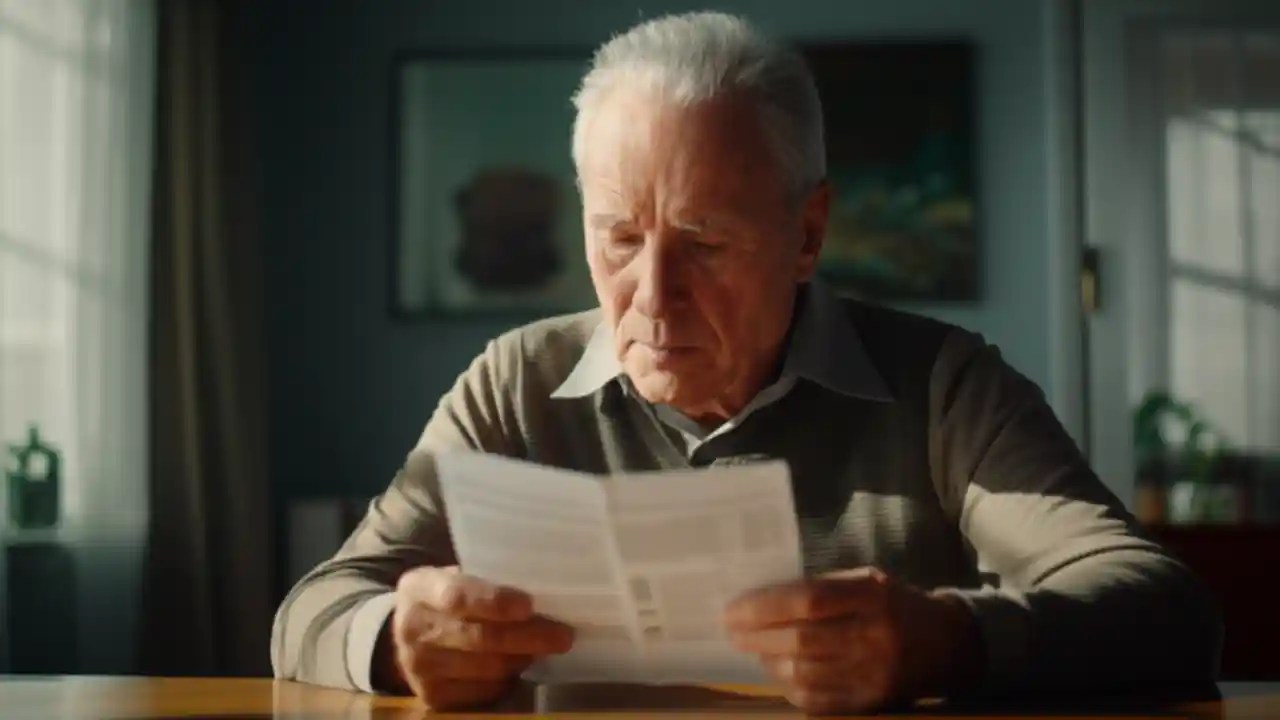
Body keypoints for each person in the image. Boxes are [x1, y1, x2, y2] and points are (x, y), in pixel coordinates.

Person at [271, 11, 1220, 714]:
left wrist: (949, 640)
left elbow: (1167, 612)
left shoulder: (942, 387)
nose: (650, 293)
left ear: (806, 233)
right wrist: (395, 639)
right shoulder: (513, 382)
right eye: (618, 236)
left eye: (703, 242)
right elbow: (312, 607)